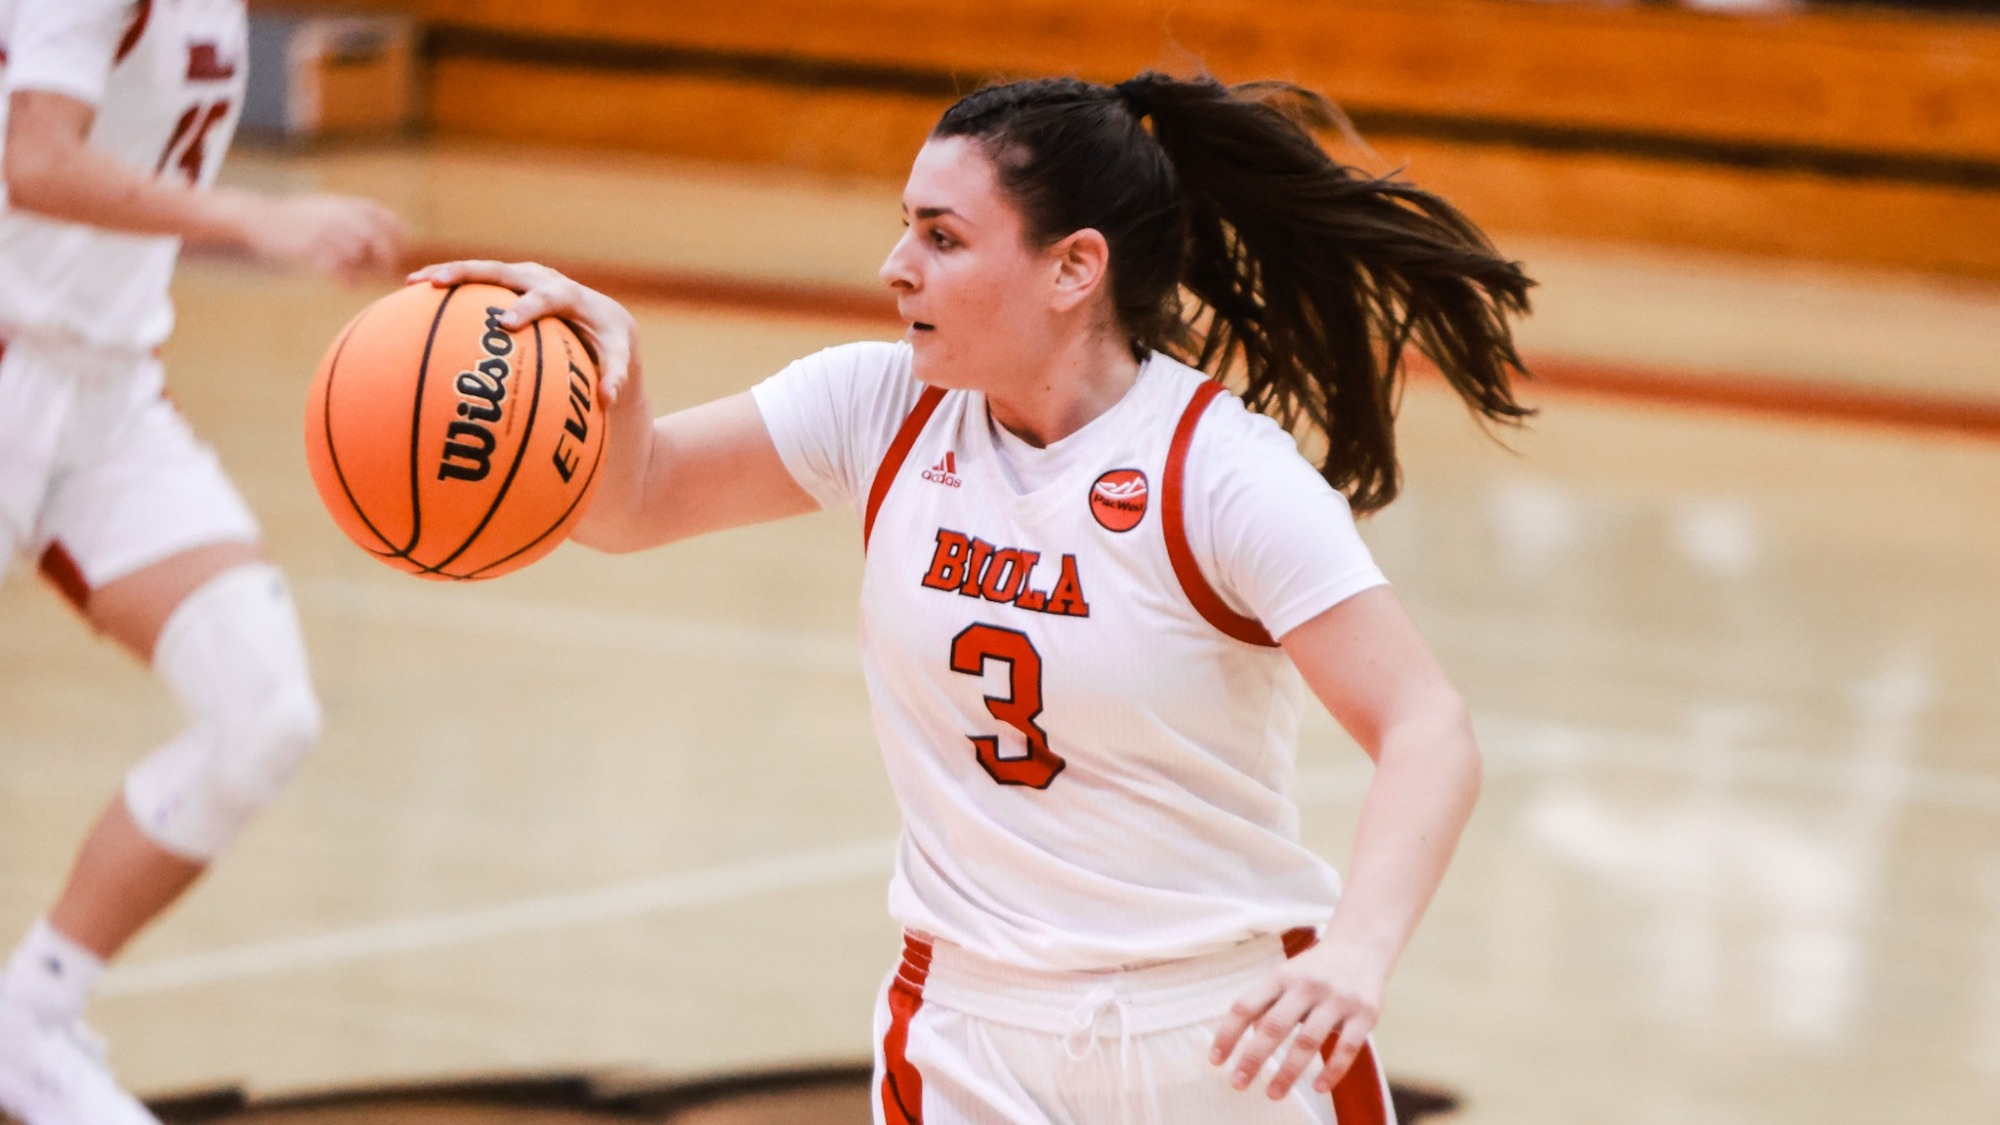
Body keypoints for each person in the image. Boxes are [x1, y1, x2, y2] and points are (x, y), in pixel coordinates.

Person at [414, 71, 1530, 1124]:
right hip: (970, 1025)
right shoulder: (877, 405)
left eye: (941, 238)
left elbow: (1425, 727)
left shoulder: (1219, 477)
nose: (897, 266)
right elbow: (632, 502)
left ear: (1071, 269)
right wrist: (602, 367)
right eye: (906, 226)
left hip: (1220, 1026)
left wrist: (1355, 954)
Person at [0, 1, 405, 1121]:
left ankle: (31, 1018)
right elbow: (31, 159)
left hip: (101, 391)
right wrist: (257, 221)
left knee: (262, 709)